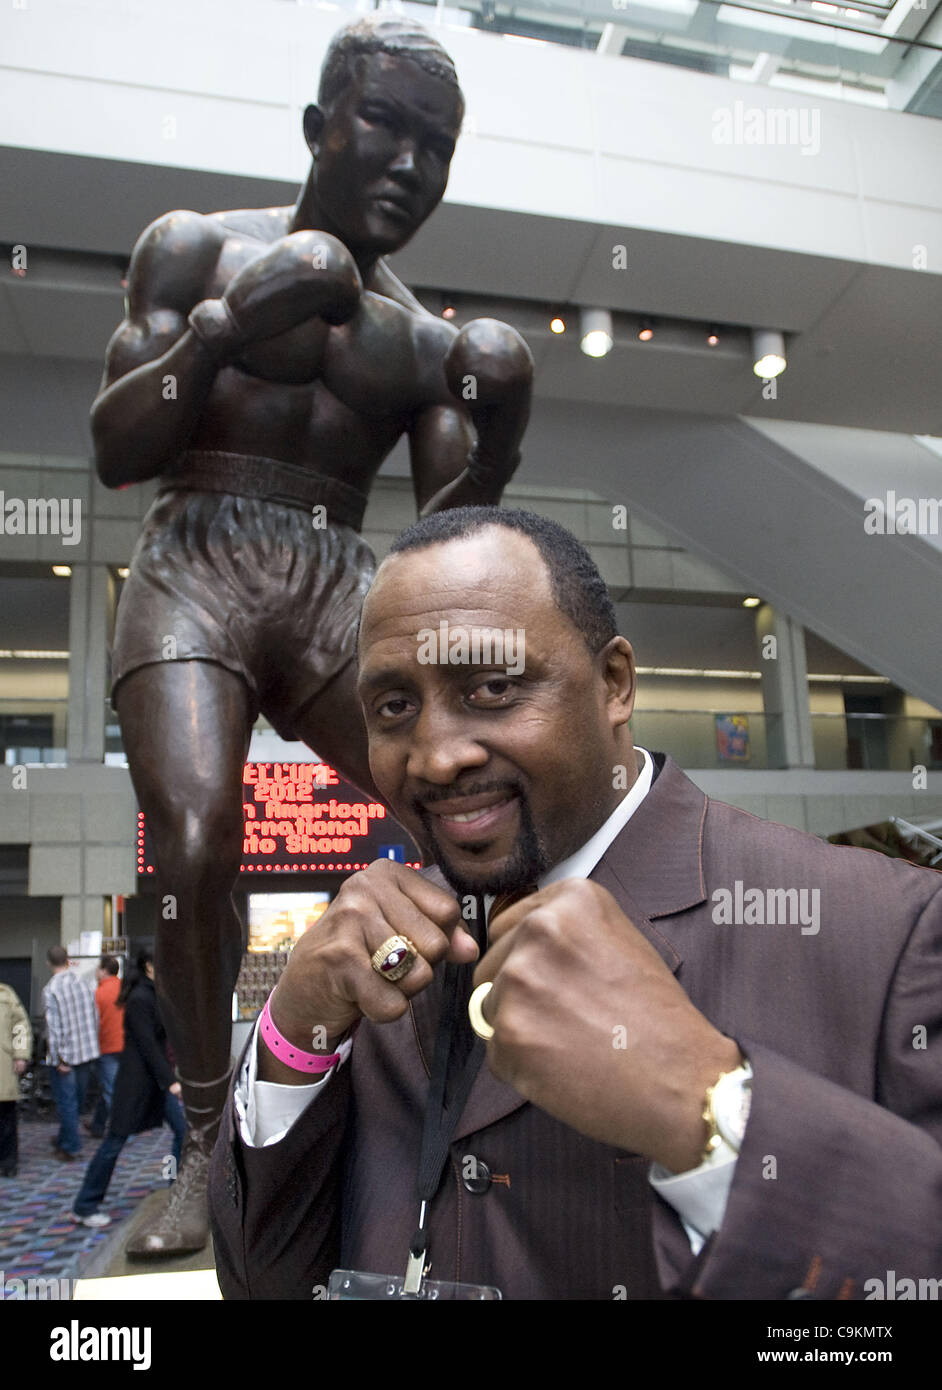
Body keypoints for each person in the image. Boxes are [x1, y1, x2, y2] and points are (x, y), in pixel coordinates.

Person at [208, 507, 942, 1300]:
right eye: (394, 707)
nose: (437, 756)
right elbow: (262, 1283)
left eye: (491, 687)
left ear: (615, 684)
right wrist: (291, 1039)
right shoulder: (375, 961)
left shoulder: (887, 931)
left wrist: (713, 1111)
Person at [90, 13, 532, 1255]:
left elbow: (444, 549)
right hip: (194, 559)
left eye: (434, 147)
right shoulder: (194, 247)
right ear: (316, 128)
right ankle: (203, 1141)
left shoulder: (429, 344)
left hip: (340, 579)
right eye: (383, 125)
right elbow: (120, 448)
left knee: (469, 801)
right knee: (190, 835)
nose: (407, 164)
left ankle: (472, 1092)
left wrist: (495, 439)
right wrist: (222, 328)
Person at [72, 952, 187, 1231]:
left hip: (153, 1083)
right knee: (114, 1142)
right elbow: (148, 1045)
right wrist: (170, 1081)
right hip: (136, 1085)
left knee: (183, 1133)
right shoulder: (140, 999)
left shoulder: (152, 994)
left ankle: (175, 1187)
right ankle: (84, 1205)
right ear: (149, 966)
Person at [42, 946, 99, 1162]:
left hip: (66, 1056)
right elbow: (94, 1015)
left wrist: (61, 1059)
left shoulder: (51, 989)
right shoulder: (83, 983)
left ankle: (71, 1146)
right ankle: (65, 1137)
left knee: (67, 1102)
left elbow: (54, 1029)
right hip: (86, 1051)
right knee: (77, 1099)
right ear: (68, 960)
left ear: (49, 963)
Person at [86, 955, 124, 1138]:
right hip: (127, 1046)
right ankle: (98, 1125)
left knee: (110, 1090)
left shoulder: (98, 994)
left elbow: (93, 1023)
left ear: (103, 970)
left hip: (106, 1047)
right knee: (109, 1087)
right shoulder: (126, 988)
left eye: (97, 968)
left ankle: (125, 1130)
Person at [0, 981, 32, 1178]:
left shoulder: (5, 994)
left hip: (2, 1067)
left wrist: (21, 1054)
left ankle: (8, 1161)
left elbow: (20, 1025)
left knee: (5, 1117)